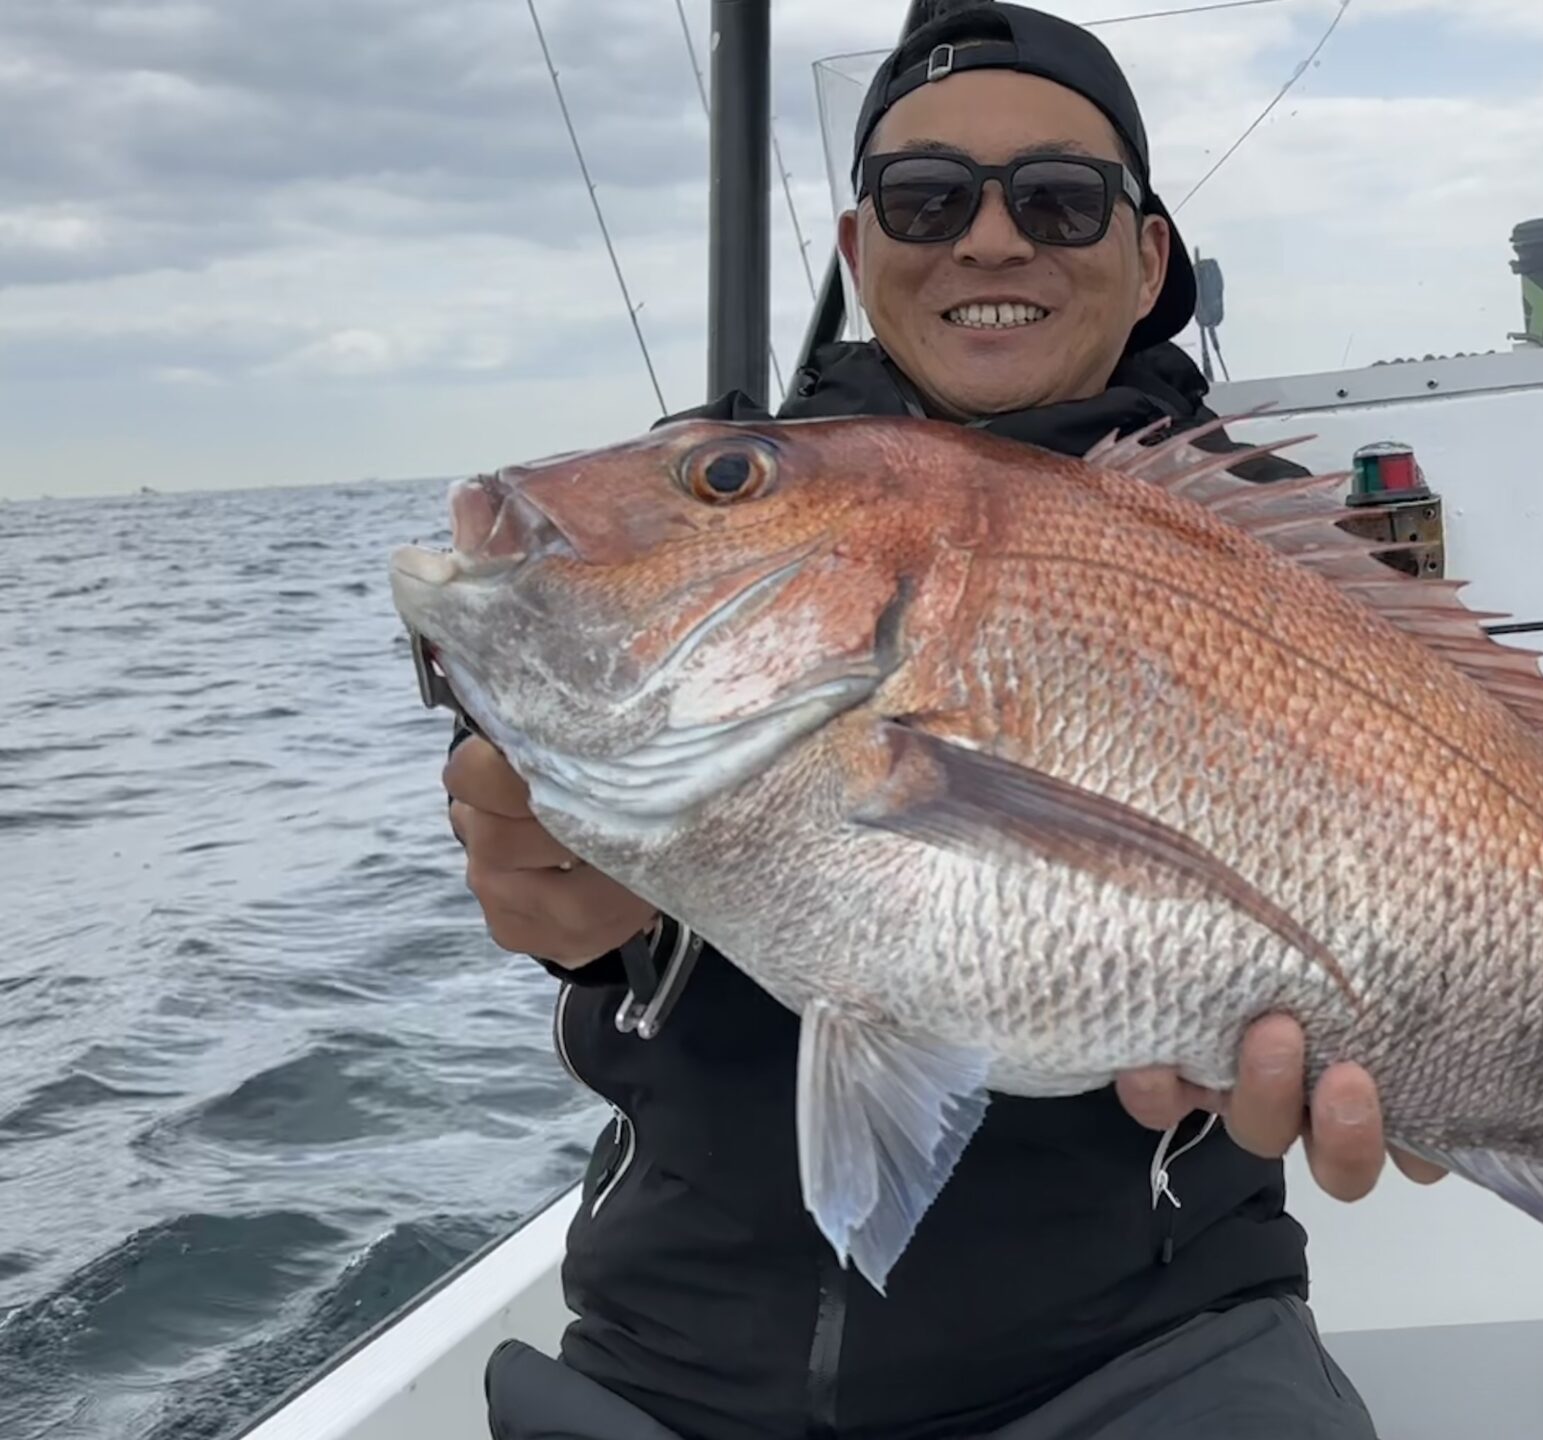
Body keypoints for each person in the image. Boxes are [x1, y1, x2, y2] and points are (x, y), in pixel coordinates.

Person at [448, 5, 1440, 1438]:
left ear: (1147, 253)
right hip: (672, 1359)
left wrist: (1467, 1036)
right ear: (859, 250)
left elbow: (1446, 856)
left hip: (1157, 1354)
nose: (989, 239)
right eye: (925, 198)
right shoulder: (733, 481)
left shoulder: (1266, 553)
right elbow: (541, 705)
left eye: (1058, 197)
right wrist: (543, 870)